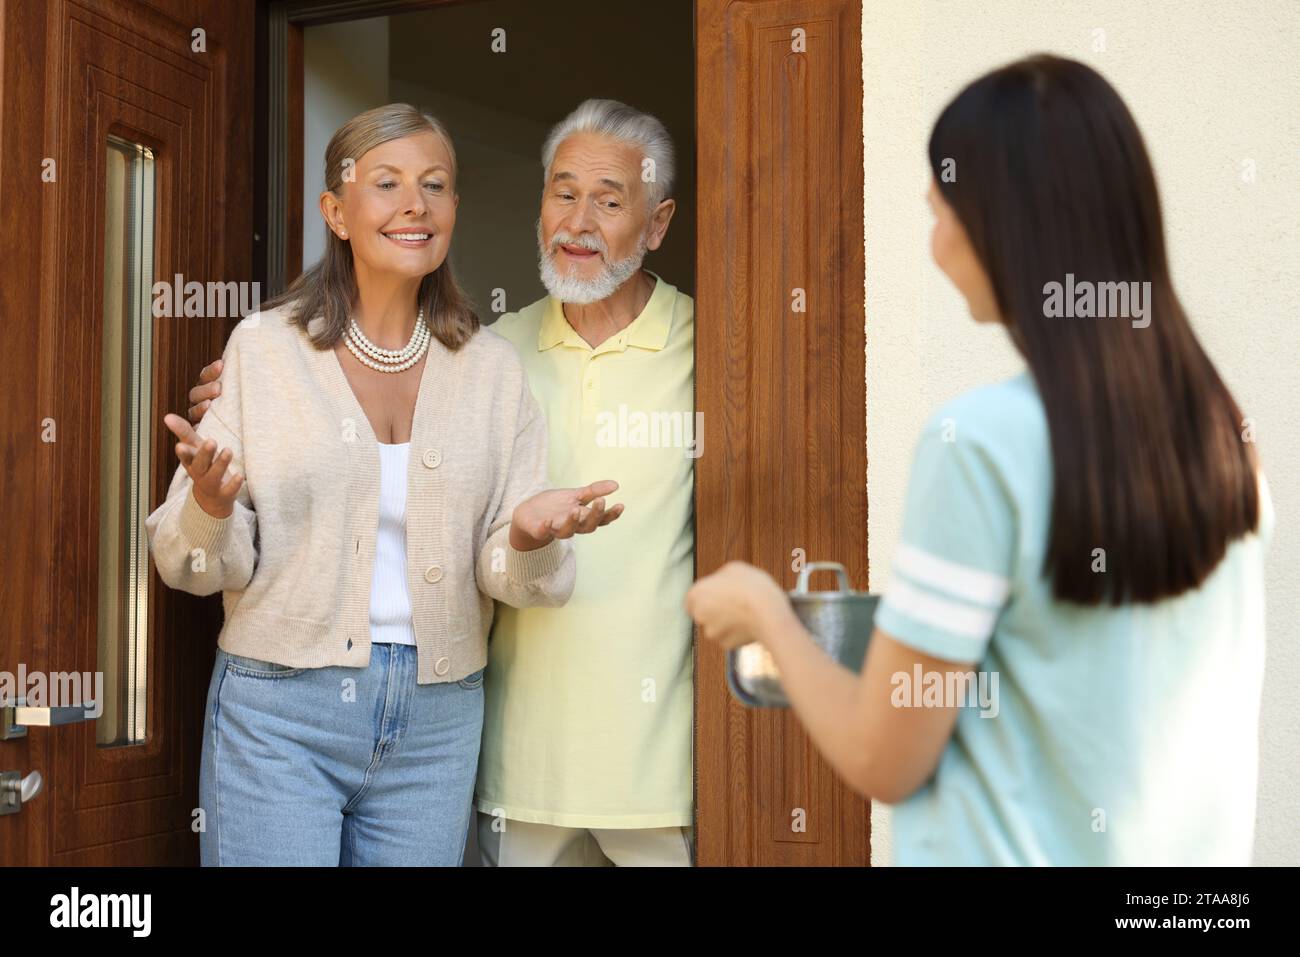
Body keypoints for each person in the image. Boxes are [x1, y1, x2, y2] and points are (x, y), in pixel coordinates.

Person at [687, 54, 1273, 866]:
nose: (933, 243)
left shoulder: (979, 443)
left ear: (1003, 221)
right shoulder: (1220, 435)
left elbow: (883, 756)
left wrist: (766, 616)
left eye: (939, 209)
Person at [188, 99, 696, 867]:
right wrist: (215, 475)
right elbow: (203, 545)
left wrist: (525, 539)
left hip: (571, 745)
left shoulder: (696, 357)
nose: (580, 220)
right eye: (563, 191)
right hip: (441, 746)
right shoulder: (484, 349)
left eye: (610, 198)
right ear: (336, 210)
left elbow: (508, 558)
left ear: (656, 223)